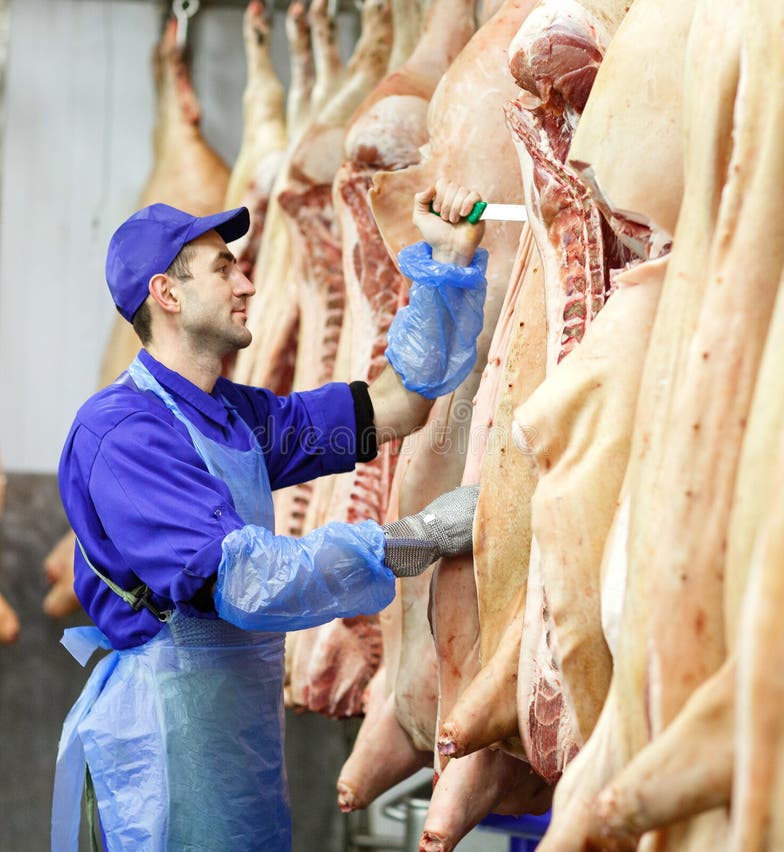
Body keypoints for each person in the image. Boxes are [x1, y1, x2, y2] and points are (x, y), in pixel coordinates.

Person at [51, 179, 489, 852]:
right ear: (167, 295)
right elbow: (243, 581)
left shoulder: (237, 417)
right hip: (164, 749)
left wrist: (448, 266)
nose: (248, 284)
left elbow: (397, 405)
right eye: (224, 269)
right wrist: (414, 539)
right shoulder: (123, 432)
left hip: (241, 747)